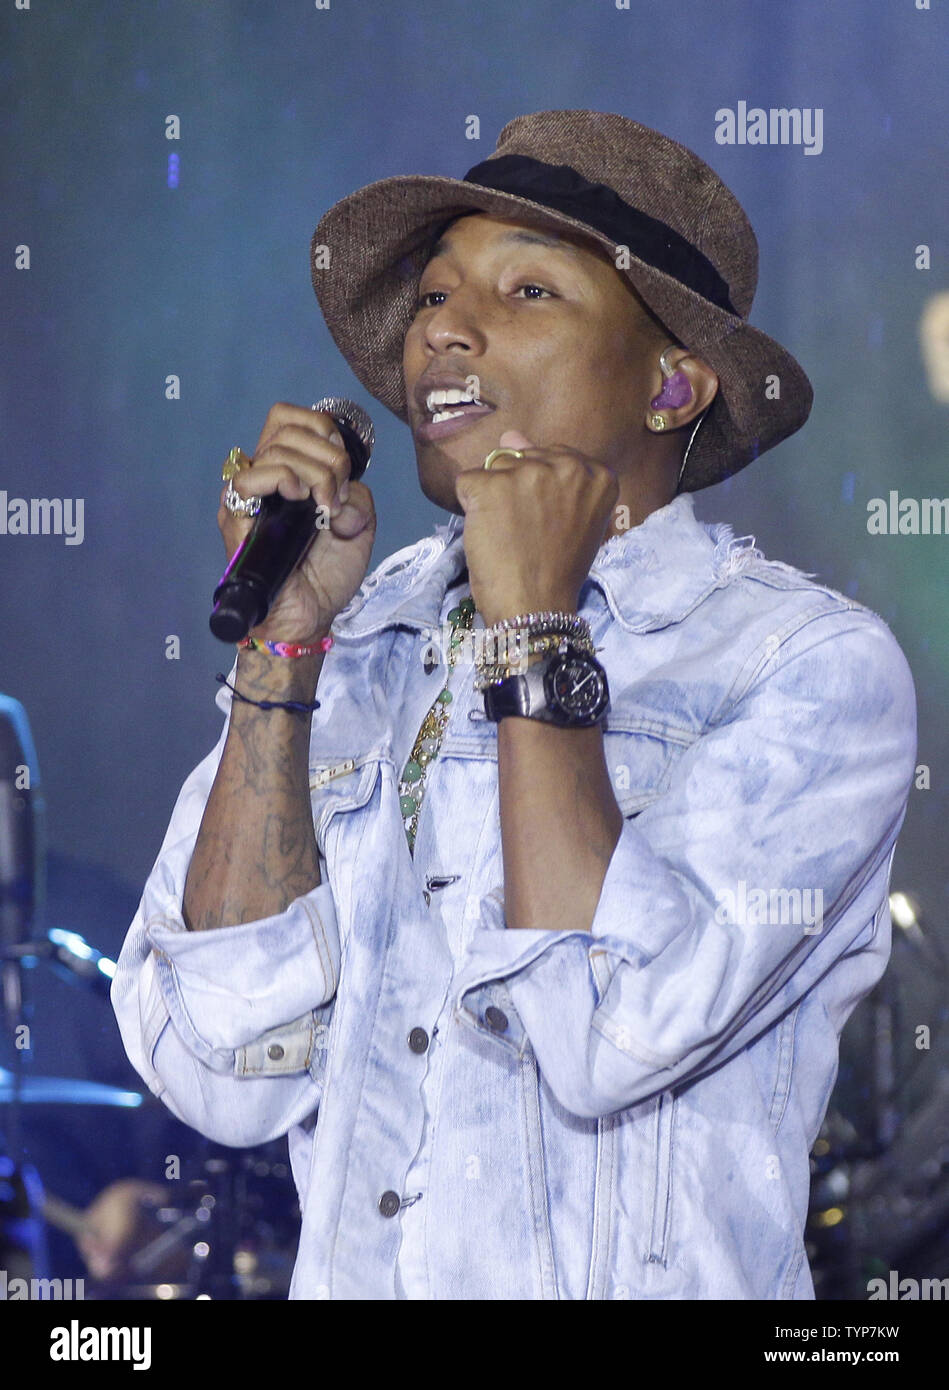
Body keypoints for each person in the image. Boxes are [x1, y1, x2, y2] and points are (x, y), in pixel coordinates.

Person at [111, 110, 917, 1299]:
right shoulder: (365, 637)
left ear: (673, 383)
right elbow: (222, 1069)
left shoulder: (805, 669)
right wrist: (286, 652)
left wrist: (533, 624)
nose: (444, 328)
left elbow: (609, 1034)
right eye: (434, 297)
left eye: (526, 291)